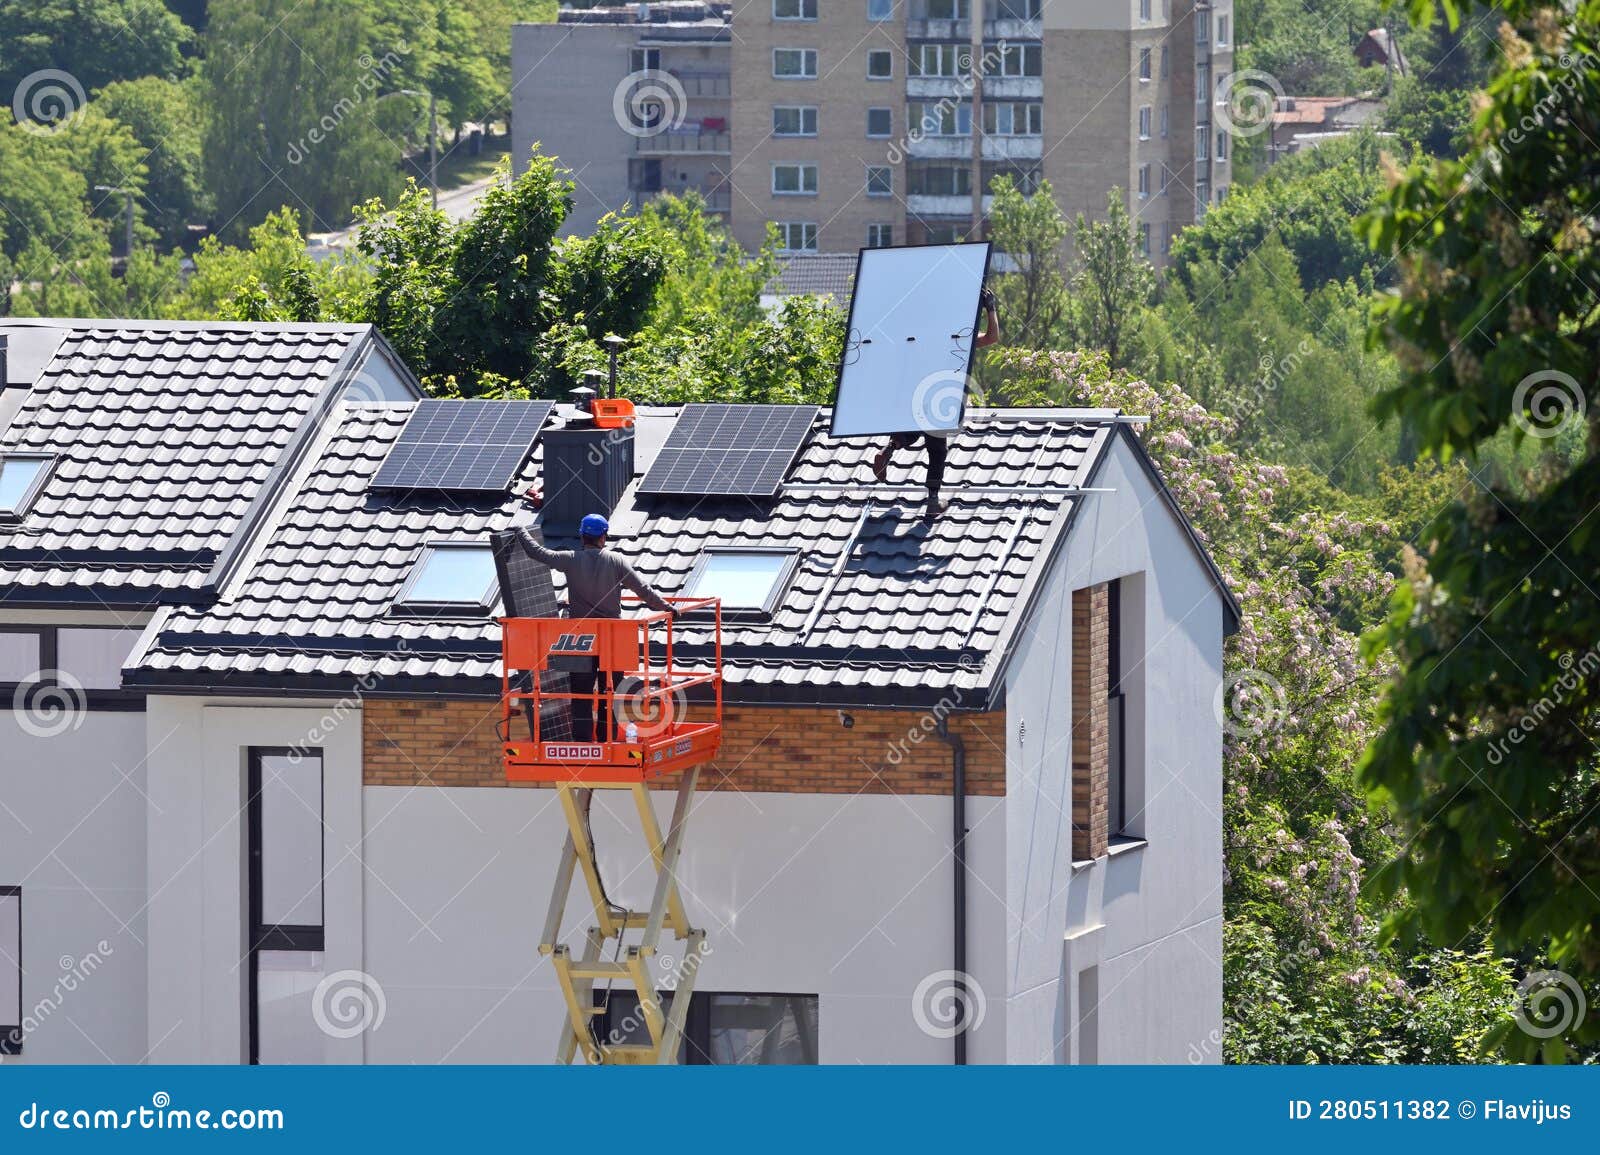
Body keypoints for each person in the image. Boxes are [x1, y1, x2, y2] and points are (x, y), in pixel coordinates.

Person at [516, 512, 677, 742]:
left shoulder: (570, 559)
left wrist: (521, 530)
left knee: (580, 694)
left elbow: (537, 553)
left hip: (581, 640)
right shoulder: (617, 561)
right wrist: (668, 608)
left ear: (582, 536)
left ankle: (582, 741)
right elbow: (644, 591)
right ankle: (606, 740)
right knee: (610, 694)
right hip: (614, 640)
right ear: (604, 536)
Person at [871, 285, 1001, 519]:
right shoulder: (958, 336)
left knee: (909, 431)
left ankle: (888, 449)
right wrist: (990, 309)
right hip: (938, 395)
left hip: (911, 391)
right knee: (937, 448)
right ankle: (933, 499)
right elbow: (993, 337)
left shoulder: (918, 333)